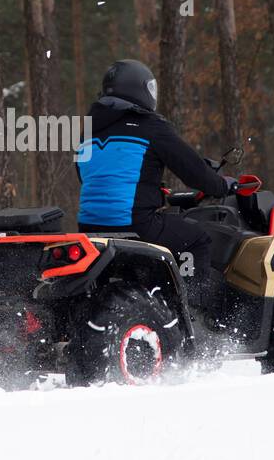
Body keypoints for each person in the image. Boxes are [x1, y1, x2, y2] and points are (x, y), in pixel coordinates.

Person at [74, 59, 234, 312]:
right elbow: (194, 172)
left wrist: (153, 192)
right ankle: (191, 311)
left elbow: (94, 178)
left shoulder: (87, 132)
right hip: (136, 224)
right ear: (139, 90)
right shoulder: (151, 126)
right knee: (198, 239)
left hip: (90, 229)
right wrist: (222, 186)